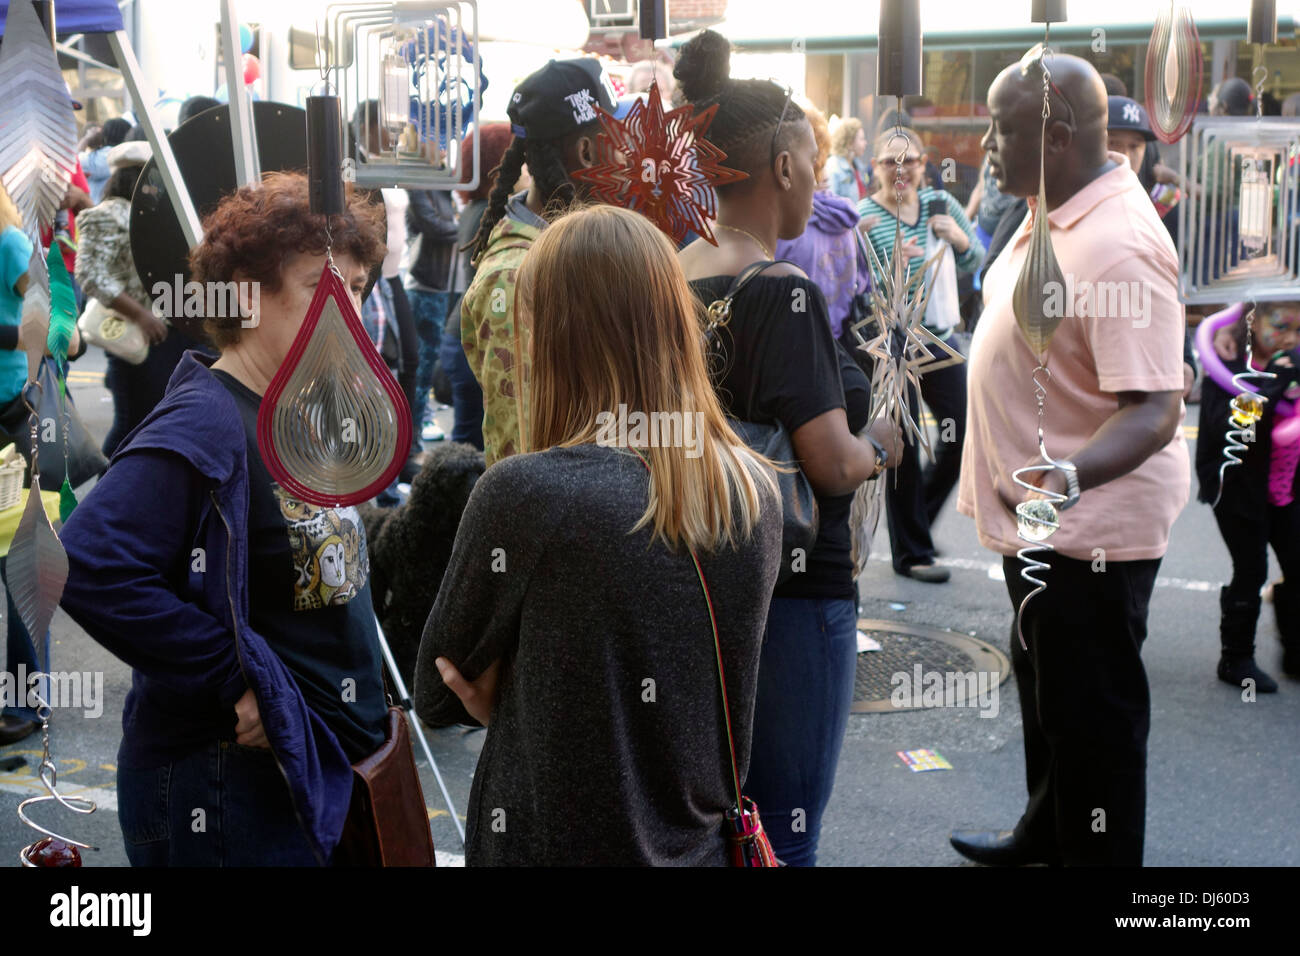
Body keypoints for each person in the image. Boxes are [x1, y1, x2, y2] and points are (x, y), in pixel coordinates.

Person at [414, 204, 783, 865]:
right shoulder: (752, 491)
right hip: (699, 848)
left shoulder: (529, 495)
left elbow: (438, 689)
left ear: (554, 337)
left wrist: (534, 690)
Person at [58, 172, 394, 866]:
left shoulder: (299, 406)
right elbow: (87, 562)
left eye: (357, 288)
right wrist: (239, 681)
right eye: (320, 287)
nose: (347, 311)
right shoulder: (208, 417)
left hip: (310, 776)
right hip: (225, 792)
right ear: (247, 294)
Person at [952, 51, 1189, 867]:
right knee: (1052, 699)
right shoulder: (1052, 204)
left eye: (1000, 126)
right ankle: (1045, 834)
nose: (986, 141)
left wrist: (1068, 478)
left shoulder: (1120, 244)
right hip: (1042, 528)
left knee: (1096, 727)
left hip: (1088, 535)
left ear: (1054, 136)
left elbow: (1156, 409)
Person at [675, 29, 901, 866]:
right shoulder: (783, 292)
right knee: (784, 828)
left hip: (694, 584)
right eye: (812, 159)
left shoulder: (671, 273)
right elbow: (832, 464)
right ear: (781, 166)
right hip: (794, 595)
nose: (819, 176)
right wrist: (881, 441)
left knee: (716, 818)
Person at [461, 57, 616, 465]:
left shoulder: (570, 250)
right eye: (617, 143)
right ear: (585, 151)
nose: (628, 161)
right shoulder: (517, 278)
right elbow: (523, 449)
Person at [859, 126, 985, 583]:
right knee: (905, 447)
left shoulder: (942, 206)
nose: (902, 169)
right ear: (874, 168)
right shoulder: (865, 217)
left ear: (923, 164)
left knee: (960, 434)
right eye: (890, 162)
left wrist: (961, 241)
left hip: (940, 337)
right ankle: (912, 553)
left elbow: (977, 266)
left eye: (910, 160)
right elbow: (854, 289)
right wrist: (888, 267)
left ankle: (917, 527)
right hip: (893, 344)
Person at [1197, 304, 1300, 690]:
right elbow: (1228, 430)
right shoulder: (1227, 366)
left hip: (1285, 485)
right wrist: (1274, 386)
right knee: (1251, 570)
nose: (1290, 338)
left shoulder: (1293, 358)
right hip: (1237, 487)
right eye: (1282, 327)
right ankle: (1235, 659)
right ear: (1253, 324)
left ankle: (1295, 653)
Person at [75, 141, 198, 456]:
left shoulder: (160, 216)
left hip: (172, 333)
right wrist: (141, 316)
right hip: (136, 335)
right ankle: (108, 495)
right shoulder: (106, 215)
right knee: (132, 426)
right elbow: (90, 274)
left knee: (156, 423)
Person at [439, 122, 517, 450]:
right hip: (468, 338)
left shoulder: (477, 209)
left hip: (460, 334)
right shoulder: (490, 213)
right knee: (468, 447)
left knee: (468, 441)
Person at [774, 102, 869, 347]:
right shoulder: (845, 215)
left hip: (795, 347)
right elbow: (863, 283)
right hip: (841, 343)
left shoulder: (783, 224)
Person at [80, 117, 132, 204]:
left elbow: (74, 162)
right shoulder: (126, 154)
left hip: (98, 211)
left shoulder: (106, 155)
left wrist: (87, 138)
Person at [827, 117, 869, 202]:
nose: (865, 143)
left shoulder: (857, 165)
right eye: (861, 139)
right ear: (849, 142)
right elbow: (831, 203)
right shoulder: (833, 167)